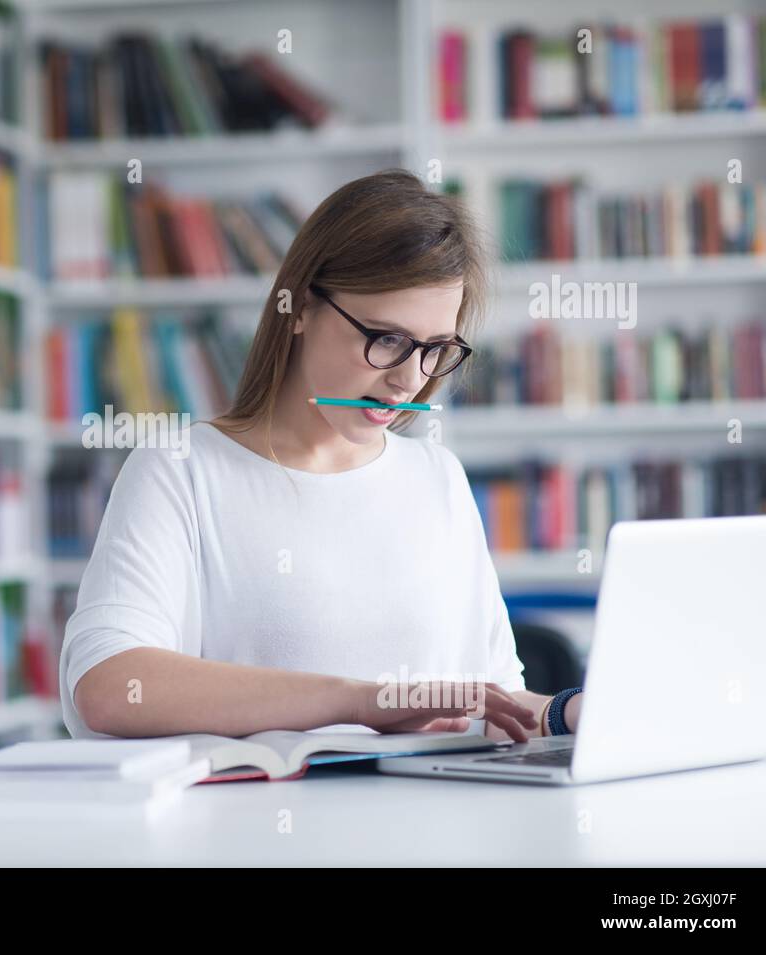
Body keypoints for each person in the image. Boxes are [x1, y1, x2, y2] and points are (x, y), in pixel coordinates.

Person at [60, 169, 583, 743]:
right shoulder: (181, 470)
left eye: (436, 350)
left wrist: (571, 714)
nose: (407, 380)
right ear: (302, 307)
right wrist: (360, 702)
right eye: (385, 338)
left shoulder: (439, 478)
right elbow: (109, 687)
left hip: (434, 823)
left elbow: (495, 703)